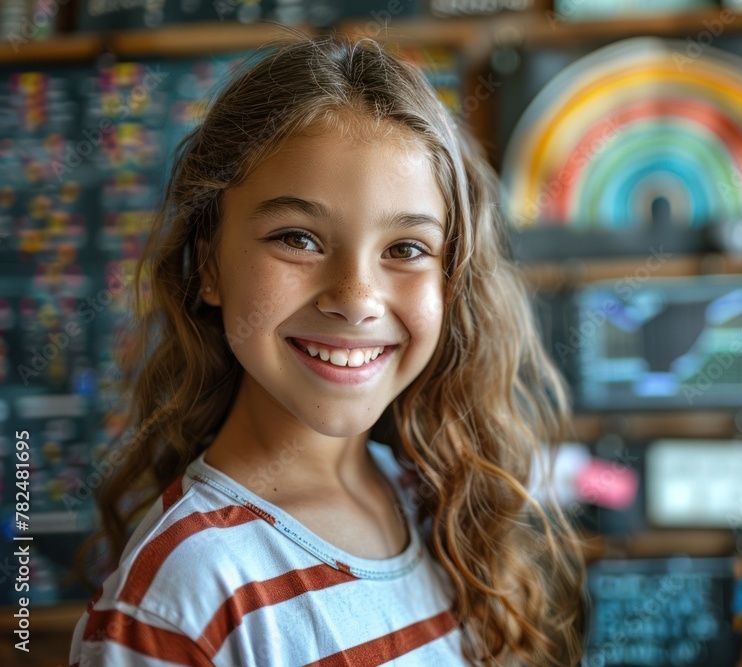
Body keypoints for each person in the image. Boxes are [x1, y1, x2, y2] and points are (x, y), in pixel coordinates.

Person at [69, 35, 588, 666]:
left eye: (406, 249)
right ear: (208, 264)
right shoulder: (183, 596)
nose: (356, 298)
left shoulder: (434, 503)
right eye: (297, 238)